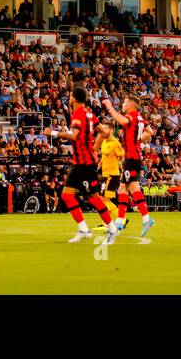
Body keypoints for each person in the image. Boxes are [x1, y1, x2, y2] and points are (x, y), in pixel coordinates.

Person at [52, 87, 117, 244]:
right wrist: (94, 148)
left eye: (70, 96)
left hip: (85, 164)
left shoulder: (78, 114)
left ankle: (112, 228)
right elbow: (104, 132)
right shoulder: (89, 114)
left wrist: (53, 133)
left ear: (73, 98)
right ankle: (83, 229)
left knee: (93, 197)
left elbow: (74, 136)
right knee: (67, 195)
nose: (69, 98)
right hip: (79, 163)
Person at [104, 93, 155, 237]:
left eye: (125, 102)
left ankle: (145, 218)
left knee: (132, 187)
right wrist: (138, 141)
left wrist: (109, 107)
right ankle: (122, 219)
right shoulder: (140, 118)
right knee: (123, 188)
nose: (123, 105)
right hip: (133, 156)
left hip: (132, 157)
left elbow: (121, 120)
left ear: (131, 105)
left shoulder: (132, 116)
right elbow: (150, 132)